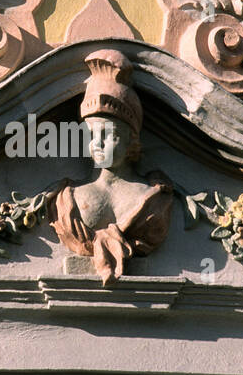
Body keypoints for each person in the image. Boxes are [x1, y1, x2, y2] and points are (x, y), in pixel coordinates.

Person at [48, 50, 173, 285]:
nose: (98, 144)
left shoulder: (155, 197)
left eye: (110, 135)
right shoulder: (66, 199)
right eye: (92, 135)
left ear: (131, 140)